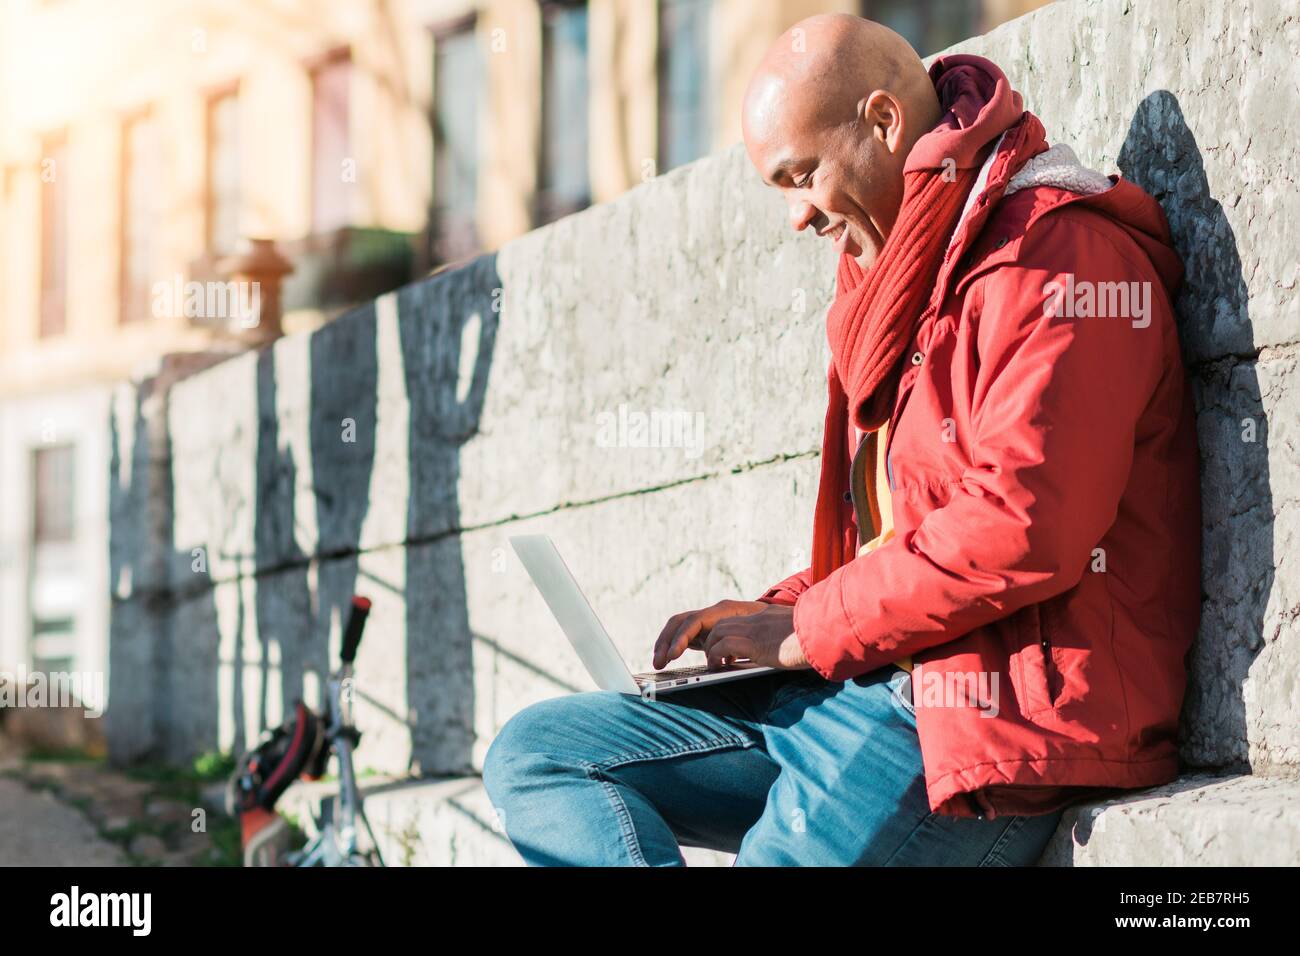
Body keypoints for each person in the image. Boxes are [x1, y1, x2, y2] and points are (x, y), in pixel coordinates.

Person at [482, 13, 1201, 866]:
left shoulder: (1059, 258)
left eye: (801, 176)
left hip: (976, 719)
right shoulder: (908, 276)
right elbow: (898, 540)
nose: (795, 218)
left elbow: (1023, 526)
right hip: (864, 687)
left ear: (885, 124)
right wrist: (775, 614)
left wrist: (807, 627)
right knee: (538, 756)